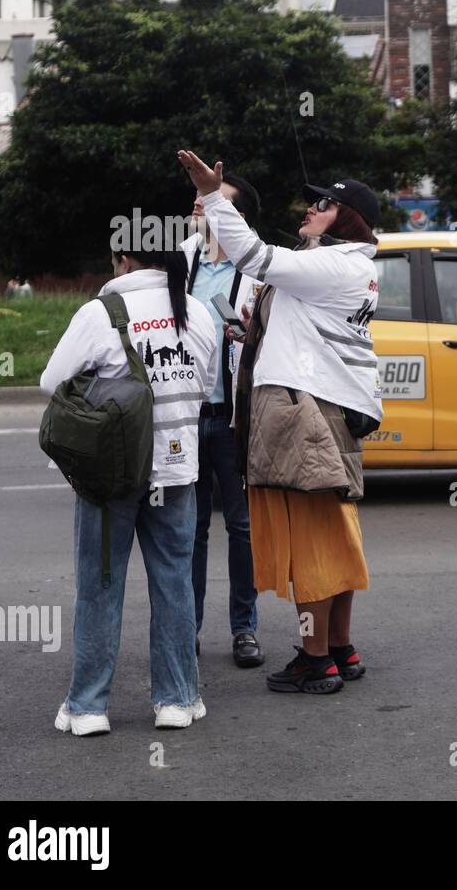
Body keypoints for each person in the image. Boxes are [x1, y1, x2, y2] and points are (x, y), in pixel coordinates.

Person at [178, 149, 382, 696]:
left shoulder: (334, 263)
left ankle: (316, 662)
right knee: (336, 537)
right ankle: (339, 647)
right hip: (327, 409)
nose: (310, 209)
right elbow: (310, 330)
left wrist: (214, 196)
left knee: (311, 542)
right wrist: (253, 332)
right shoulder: (350, 267)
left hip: (304, 411)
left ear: (348, 218)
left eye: (325, 204)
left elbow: (250, 254)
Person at [41, 227, 218, 735]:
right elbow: (204, 386)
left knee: (99, 587)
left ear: (122, 257)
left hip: (109, 475)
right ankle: (177, 701)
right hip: (177, 470)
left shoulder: (101, 314)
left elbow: (51, 381)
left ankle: (89, 707)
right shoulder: (197, 310)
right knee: (173, 585)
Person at [182, 173, 264, 667]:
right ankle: (185, 627)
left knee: (242, 527)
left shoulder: (259, 270)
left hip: (235, 418)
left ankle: (244, 628)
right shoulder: (184, 259)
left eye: (213, 199)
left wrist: (250, 338)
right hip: (188, 416)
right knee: (188, 529)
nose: (199, 202)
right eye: (198, 195)